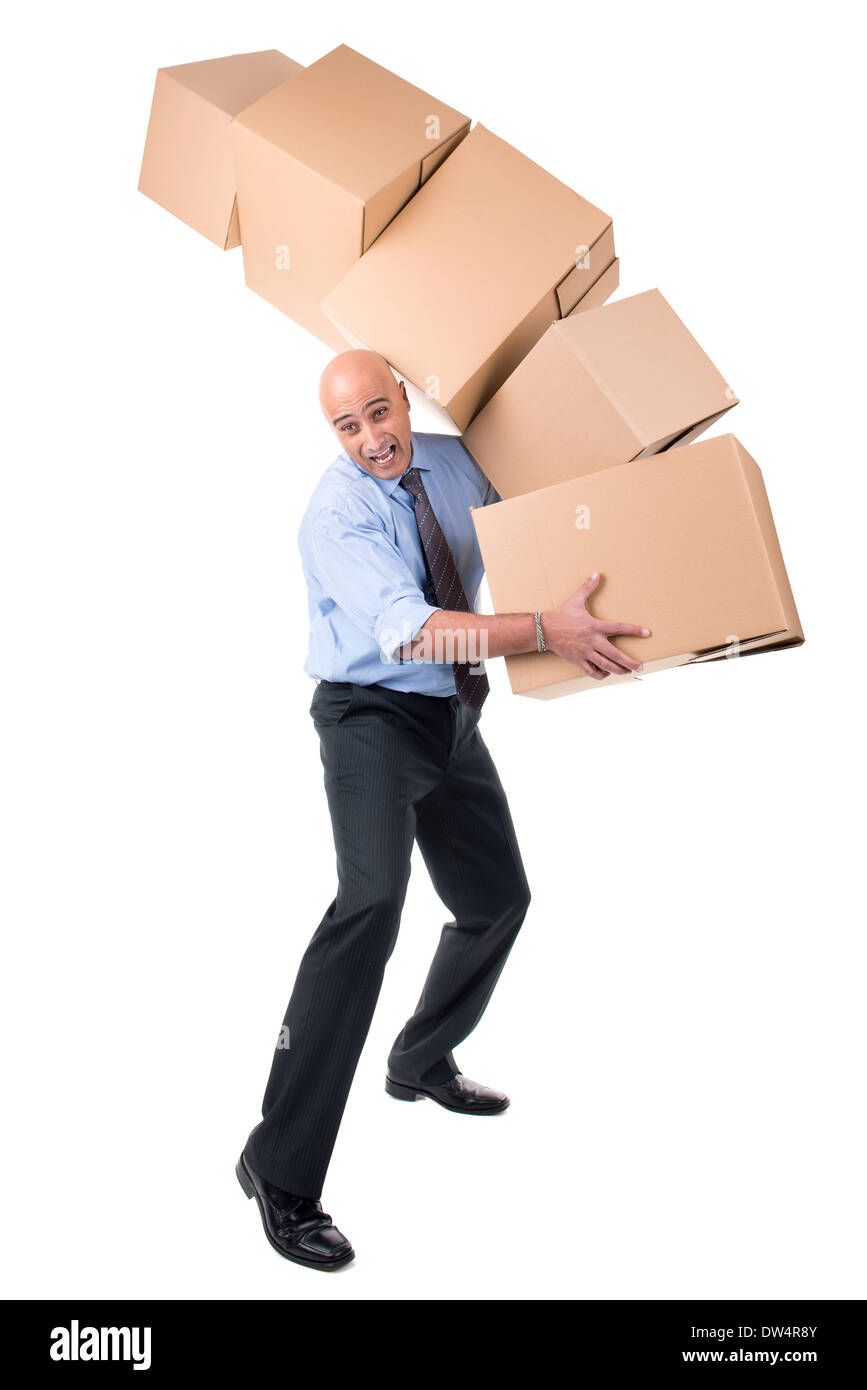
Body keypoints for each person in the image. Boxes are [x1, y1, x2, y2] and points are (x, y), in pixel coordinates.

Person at [236, 350, 651, 1270]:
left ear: (403, 397)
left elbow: (541, 493)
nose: (372, 439)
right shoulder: (336, 515)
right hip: (369, 719)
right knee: (369, 910)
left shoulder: (453, 461)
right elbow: (414, 631)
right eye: (348, 426)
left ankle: (419, 1058)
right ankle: (278, 1167)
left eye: (379, 413)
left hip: (447, 714)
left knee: (497, 899)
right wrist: (543, 631)